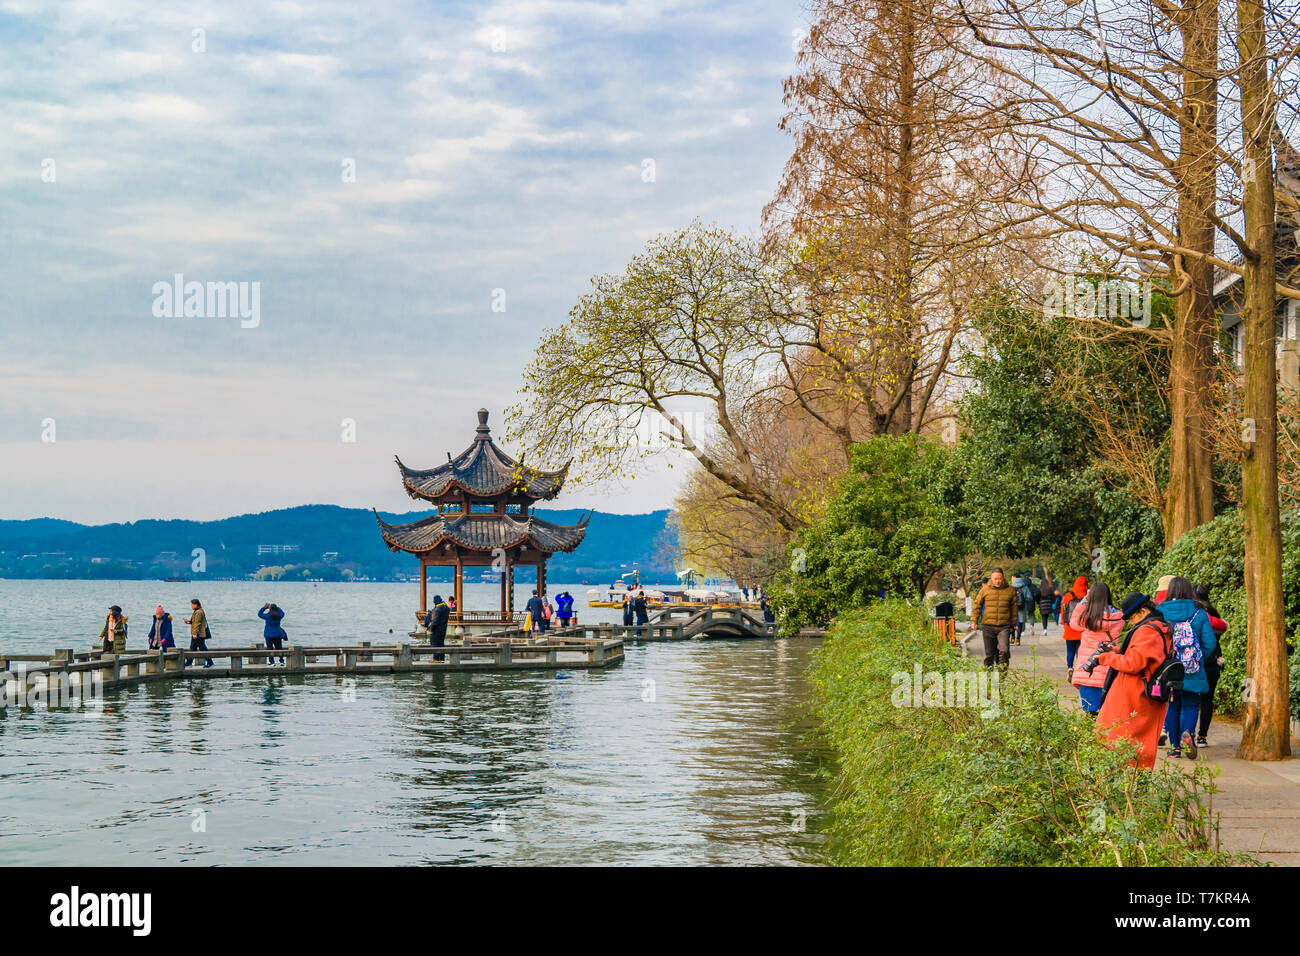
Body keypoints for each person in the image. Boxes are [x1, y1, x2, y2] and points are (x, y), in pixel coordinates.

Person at [1084, 592, 1172, 770]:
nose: (1131, 621)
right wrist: (1117, 651)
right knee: (1136, 742)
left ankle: (1125, 785)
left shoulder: (1147, 630)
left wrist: (1105, 658)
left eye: (1132, 616)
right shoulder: (1159, 627)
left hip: (1133, 696)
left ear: (1144, 611)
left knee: (1119, 739)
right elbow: (1142, 657)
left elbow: (1134, 663)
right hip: (1142, 693)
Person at [1158, 576, 1217, 759]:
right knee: (1191, 703)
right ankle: (1188, 732)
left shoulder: (1161, 612)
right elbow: (1210, 642)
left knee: (1172, 705)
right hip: (1192, 667)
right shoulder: (1199, 613)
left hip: (1169, 667)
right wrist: (1197, 657)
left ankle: (1175, 747)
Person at [1069, 581, 1124, 716]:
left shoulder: (1086, 617)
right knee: (1107, 713)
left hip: (1088, 670)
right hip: (1108, 671)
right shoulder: (1118, 616)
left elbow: (1073, 623)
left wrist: (1084, 601)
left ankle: (1093, 737)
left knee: (1090, 713)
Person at [1193, 583, 1228, 746]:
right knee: (1207, 700)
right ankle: (1202, 737)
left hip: (1193, 662)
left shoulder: (1192, 616)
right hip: (1213, 662)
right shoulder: (1216, 618)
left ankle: (1187, 733)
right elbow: (1223, 627)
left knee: (1190, 700)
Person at [970, 568, 1019, 669]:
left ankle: (1002, 675)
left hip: (1004, 626)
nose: (997, 581)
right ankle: (989, 677)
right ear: (991, 578)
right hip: (988, 626)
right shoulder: (985, 590)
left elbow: (1014, 609)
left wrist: (1013, 624)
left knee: (1004, 651)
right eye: (995, 579)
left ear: (1003, 578)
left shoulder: (1010, 590)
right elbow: (977, 605)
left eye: (999, 579)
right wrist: (974, 620)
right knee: (989, 654)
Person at [1059, 575, 1090, 676]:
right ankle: (1079, 668)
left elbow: (1063, 612)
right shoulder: (1088, 596)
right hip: (1083, 629)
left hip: (1070, 628)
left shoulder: (1069, 595)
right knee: (1080, 651)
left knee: (1070, 650)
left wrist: (1065, 625)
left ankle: (1069, 667)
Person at [185, 598, 214, 668]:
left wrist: (195, 633)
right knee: (192, 648)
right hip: (197, 634)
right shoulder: (197, 611)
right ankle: (189, 662)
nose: (191, 606)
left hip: (198, 634)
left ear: (195, 605)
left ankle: (210, 663)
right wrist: (190, 622)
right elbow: (195, 622)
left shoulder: (199, 612)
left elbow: (198, 623)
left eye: (192, 605)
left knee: (203, 649)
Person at [426, 594, 449, 662]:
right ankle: (442, 659)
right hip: (443, 629)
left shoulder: (437, 609)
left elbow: (435, 621)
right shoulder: (446, 608)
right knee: (441, 644)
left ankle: (435, 659)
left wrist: (431, 629)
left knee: (434, 644)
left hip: (436, 630)